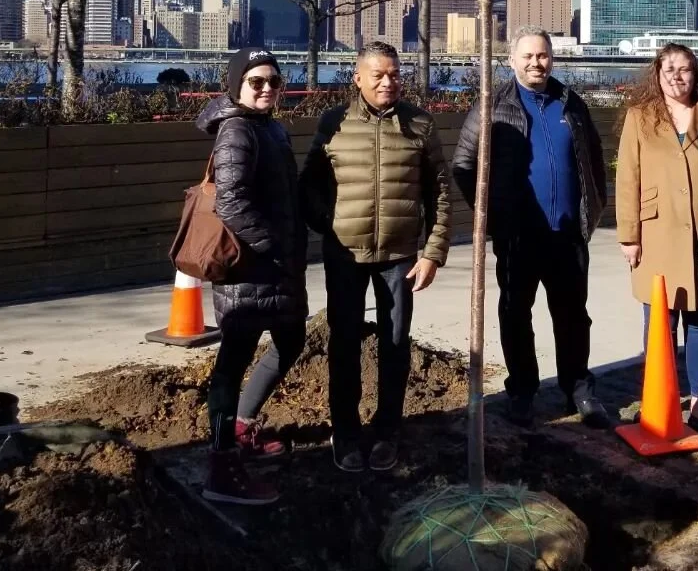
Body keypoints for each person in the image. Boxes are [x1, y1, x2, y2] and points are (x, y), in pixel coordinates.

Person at [301, 41, 452, 473]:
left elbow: (440, 193)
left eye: (395, 74)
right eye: (379, 75)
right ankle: (345, 432)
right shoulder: (335, 123)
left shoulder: (420, 125)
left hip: (400, 257)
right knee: (344, 344)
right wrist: (327, 224)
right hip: (344, 255)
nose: (388, 82)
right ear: (358, 77)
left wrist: (433, 253)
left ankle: (388, 430)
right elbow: (308, 185)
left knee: (395, 343)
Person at [451, 26, 609, 429]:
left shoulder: (570, 102)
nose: (537, 63)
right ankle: (522, 389)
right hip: (519, 234)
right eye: (528, 56)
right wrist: (493, 215)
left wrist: (594, 208)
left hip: (568, 233)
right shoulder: (493, 104)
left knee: (574, 315)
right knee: (516, 313)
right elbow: (464, 164)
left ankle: (579, 389)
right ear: (512, 60)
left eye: (543, 55)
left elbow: (592, 158)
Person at [197, 48, 307, 506]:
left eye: (273, 82)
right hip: (250, 271)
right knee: (231, 364)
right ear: (236, 84)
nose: (266, 88)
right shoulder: (237, 130)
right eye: (256, 81)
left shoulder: (269, 126)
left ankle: (241, 425)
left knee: (292, 342)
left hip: (277, 270)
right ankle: (221, 468)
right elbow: (231, 202)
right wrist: (274, 246)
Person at [615, 43, 698, 427]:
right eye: (669, 70)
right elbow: (627, 178)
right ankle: (658, 397)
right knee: (659, 321)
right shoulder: (640, 117)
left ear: (696, 74)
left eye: (685, 69)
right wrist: (629, 236)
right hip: (656, 232)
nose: (677, 77)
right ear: (657, 74)